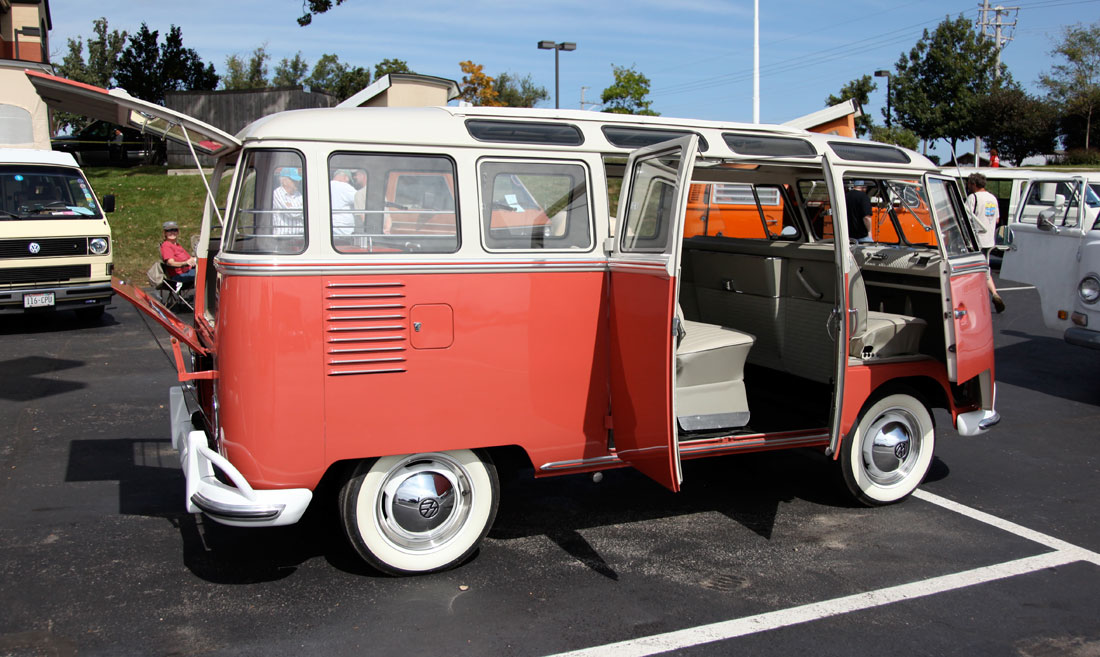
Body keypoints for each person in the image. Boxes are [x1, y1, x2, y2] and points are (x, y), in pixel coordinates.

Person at [965, 173, 1005, 313]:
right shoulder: (992, 198)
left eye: (969, 184)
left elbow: (964, 217)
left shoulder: (973, 198)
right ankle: (995, 294)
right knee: (985, 268)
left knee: (970, 270)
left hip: (976, 240)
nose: (968, 187)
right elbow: (997, 219)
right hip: (989, 240)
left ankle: (973, 300)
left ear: (974, 184)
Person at [160, 221, 197, 291]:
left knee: (208, 270)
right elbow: (170, 262)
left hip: (188, 271)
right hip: (178, 276)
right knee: (206, 275)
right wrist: (185, 263)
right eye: (169, 230)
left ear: (178, 232)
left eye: (174, 230)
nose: (172, 233)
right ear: (164, 233)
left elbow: (190, 258)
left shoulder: (177, 245)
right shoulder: (167, 246)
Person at [272, 167, 304, 236]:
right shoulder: (277, 193)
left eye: (297, 180)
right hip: (283, 237)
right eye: (293, 180)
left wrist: (293, 208)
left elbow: (306, 212)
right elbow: (290, 213)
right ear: (284, 181)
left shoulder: (298, 194)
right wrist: (301, 208)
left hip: (299, 236)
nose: (297, 182)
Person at [330, 169, 357, 236]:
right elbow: (360, 200)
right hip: (342, 229)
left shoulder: (325, 185)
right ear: (346, 178)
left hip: (327, 226)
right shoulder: (345, 187)